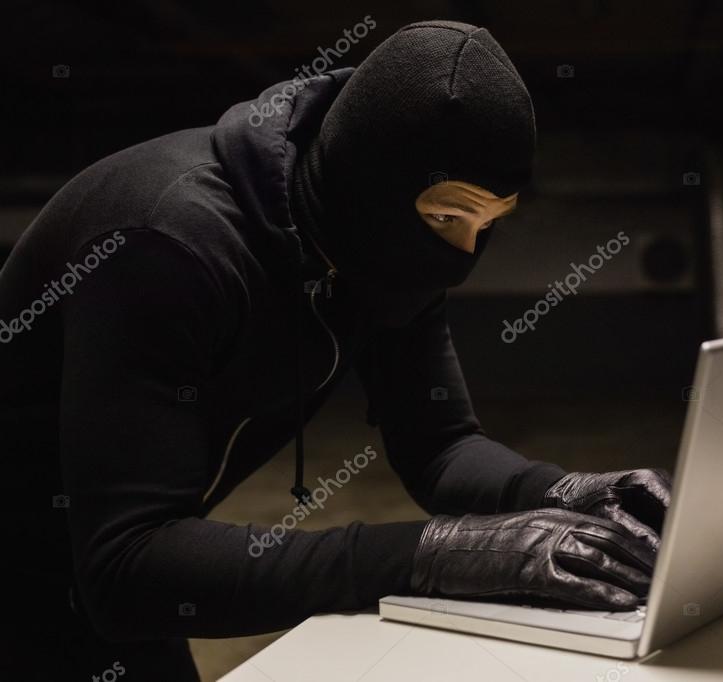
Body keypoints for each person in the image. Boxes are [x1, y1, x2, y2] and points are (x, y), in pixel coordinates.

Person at [0, 20, 671, 680]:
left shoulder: (373, 242)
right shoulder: (166, 244)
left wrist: (568, 494)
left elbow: (439, 447)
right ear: (368, 180)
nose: (463, 253)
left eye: (487, 223)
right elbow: (128, 563)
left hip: (108, 576)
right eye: (447, 215)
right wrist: (435, 553)